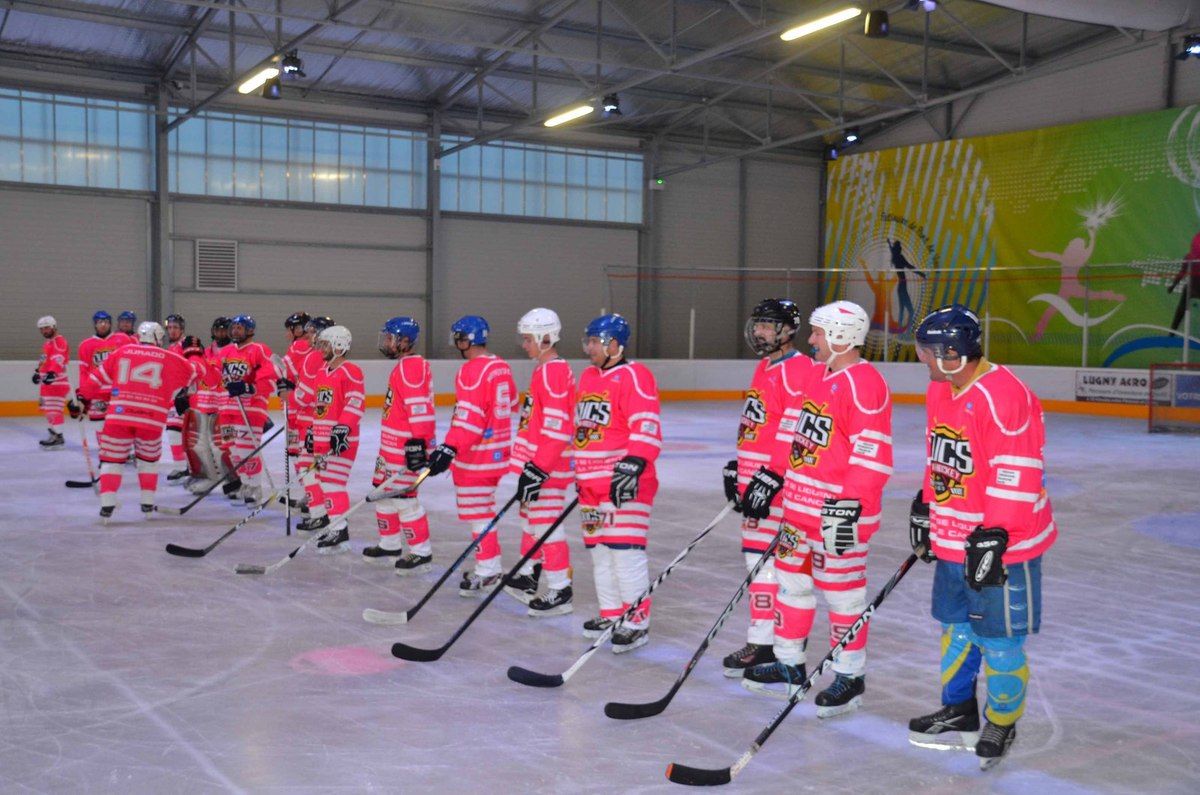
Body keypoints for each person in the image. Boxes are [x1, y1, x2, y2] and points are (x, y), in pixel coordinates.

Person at [906, 304, 1057, 770]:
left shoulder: (1004, 394)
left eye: (930, 353)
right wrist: (927, 506)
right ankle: (959, 709)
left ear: (955, 352)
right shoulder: (942, 390)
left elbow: (1018, 471)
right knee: (956, 630)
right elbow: (941, 458)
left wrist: (996, 536)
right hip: (955, 538)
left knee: (1000, 639)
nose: (923, 361)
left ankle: (1002, 721)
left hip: (1003, 545)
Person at [740, 300, 893, 717]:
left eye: (818, 333)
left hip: (837, 515)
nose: (811, 340)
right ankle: (790, 664)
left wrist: (848, 507)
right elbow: (790, 431)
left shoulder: (866, 383)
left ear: (842, 337)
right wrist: (771, 475)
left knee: (843, 597)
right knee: (791, 585)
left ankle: (850, 676)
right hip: (798, 510)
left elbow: (871, 455)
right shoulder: (817, 376)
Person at [720, 298, 815, 677]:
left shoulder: (800, 369)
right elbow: (760, 424)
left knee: (784, 570)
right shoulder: (766, 367)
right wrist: (739, 468)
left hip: (781, 488)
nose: (758, 332)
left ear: (788, 331)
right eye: (756, 324)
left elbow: (797, 431)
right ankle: (761, 642)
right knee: (757, 566)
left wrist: (772, 474)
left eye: (766, 325)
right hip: (757, 482)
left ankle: (785, 645)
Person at [573, 313, 662, 653]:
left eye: (595, 341)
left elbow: (647, 426)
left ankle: (636, 620)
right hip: (591, 486)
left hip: (625, 484)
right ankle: (612, 614)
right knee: (600, 553)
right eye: (589, 341)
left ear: (614, 344)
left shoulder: (634, 376)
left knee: (625, 552)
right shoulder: (588, 377)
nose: (590, 347)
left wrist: (635, 462)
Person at [70, 323, 205, 520]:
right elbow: (198, 372)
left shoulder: (122, 351)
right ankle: (147, 503)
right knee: (148, 462)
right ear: (158, 338)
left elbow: (95, 379)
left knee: (111, 460)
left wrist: (81, 400)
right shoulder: (169, 358)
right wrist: (194, 353)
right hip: (151, 419)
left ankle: (107, 505)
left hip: (119, 416)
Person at [425, 316, 517, 596]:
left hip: (476, 457)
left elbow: (470, 417)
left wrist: (450, 447)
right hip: (498, 454)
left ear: (470, 338)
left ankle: (488, 570)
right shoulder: (500, 366)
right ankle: (489, 564)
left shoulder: (472, 370)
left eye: (460, 337)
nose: (457, 342)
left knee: (479, 514)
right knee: (483, 510)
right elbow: (511, 403)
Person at [508, 308, 576, 616]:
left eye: (527, 339)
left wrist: (539, 468)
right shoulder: (544, 369)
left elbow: (559, 427)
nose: (524, 345)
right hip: (538, 464)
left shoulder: (553, 371)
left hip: (547, 467)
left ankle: (560, 588)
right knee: (531, 520)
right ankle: (528, 574)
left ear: (543, 338)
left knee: (546, 524)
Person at [367, 316, 436, 571]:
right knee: (383, 494)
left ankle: (421, 552)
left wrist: (419, 444)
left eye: (390, 338)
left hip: (404, 447)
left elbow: (420, 408)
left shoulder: (412, 367)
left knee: (404, 499)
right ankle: (389, 543)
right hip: (390, 446)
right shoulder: (404, 364)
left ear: (404, 341)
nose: (386, 342)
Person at [298, 325, 365, 554]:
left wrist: (342, 430)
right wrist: (311, 433)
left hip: (341, 441)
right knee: (323, 482)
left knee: (333, 484)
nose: (321, 349)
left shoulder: (351, 371)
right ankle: (336, 527)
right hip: (322, 440)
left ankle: (340, 530)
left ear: (339, 345)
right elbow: (319, 410)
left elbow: (356, 403)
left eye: (325, 345)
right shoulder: (322, 373)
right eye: (320, 344)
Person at [217, 314, 276, 505]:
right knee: (232, 450)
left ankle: (255, 487)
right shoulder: (225, 351)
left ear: (250, 330)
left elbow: (269, 375)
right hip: (227, 407)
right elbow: (213, 374)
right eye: (233, 327)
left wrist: (249, 387)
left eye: (239, 328)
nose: (235, 331)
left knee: (247, 449)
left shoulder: (259, 349)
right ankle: (245, 482)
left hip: (251, 407)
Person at [284, 315, 335, 527]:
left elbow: (303, 395)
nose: (310, 336)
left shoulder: (314, 357)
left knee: (308, 466)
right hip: (323, 420)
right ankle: (320, 509)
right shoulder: (330, 358)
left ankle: (319, 513)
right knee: (317, 468)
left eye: (314, 332)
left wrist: (286, 395)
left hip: (312, 422)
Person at [183, 318, 231, 494]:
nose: (220, 334)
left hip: (226, 407)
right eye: (217, 330)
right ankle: (209, 477)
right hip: (203, 404)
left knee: (224, 446)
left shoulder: (234, 351)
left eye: (224, 330)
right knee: (199, 445)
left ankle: (234, 481)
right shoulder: (206, 352)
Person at [77, 311, 128, 457]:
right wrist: (83, 393)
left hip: (119, 391)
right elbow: (84, 372)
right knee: (99, 424)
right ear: (95, 324)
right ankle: (106, 450)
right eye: (100, 322)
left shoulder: (123, 339)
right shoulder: (86, 345)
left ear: (111, 323)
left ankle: (126, 451)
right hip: (98, 392)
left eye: (106, 321)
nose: (103, 324)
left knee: (122, 422)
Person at [33, 316, 70, 449]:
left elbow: (58, 359)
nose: (44, 331)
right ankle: (54, 433)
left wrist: (52, 373)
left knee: (54, 410)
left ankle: (59, 437)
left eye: (47, 327)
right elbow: (45, 360)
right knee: (48, 410)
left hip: (57, 383)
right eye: (42, 329)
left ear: (54, 327)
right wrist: (38, 372)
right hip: (47, 384)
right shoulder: (48, 343)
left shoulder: (59, 341)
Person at [162, 314, 189, 481]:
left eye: (175, 328)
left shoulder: (185, 345)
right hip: (173, 396)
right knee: (177, 432)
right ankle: (186, 466)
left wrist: (186, 392)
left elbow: (195, 368)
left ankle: (182, 467)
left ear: (182, 329)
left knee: (174, 431)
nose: (172, 331)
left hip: (182, 396)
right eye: (170, 327)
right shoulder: (171, 347)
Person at [888, 239, 927, 331]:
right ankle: (908, 329)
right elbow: (909, 266)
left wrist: (889, 243)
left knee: (902, 309)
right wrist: (920, 273)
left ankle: (900, 328)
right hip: (902, 285)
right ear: (899, 249)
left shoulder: (895, 257)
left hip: (901, 286)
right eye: (900, 247)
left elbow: (892, 250)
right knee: (910, 310)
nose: (901, 249)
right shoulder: (899, 257)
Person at [1168, 230, 1200, 332]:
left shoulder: (1189, 258)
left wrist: (1173, 286)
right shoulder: (1190, 258)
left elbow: (1181, 273)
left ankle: (1172, 331)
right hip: (1193, 287)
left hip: (1191, 288)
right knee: (1181, 307)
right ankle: (1172, 330)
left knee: (1181, 308)